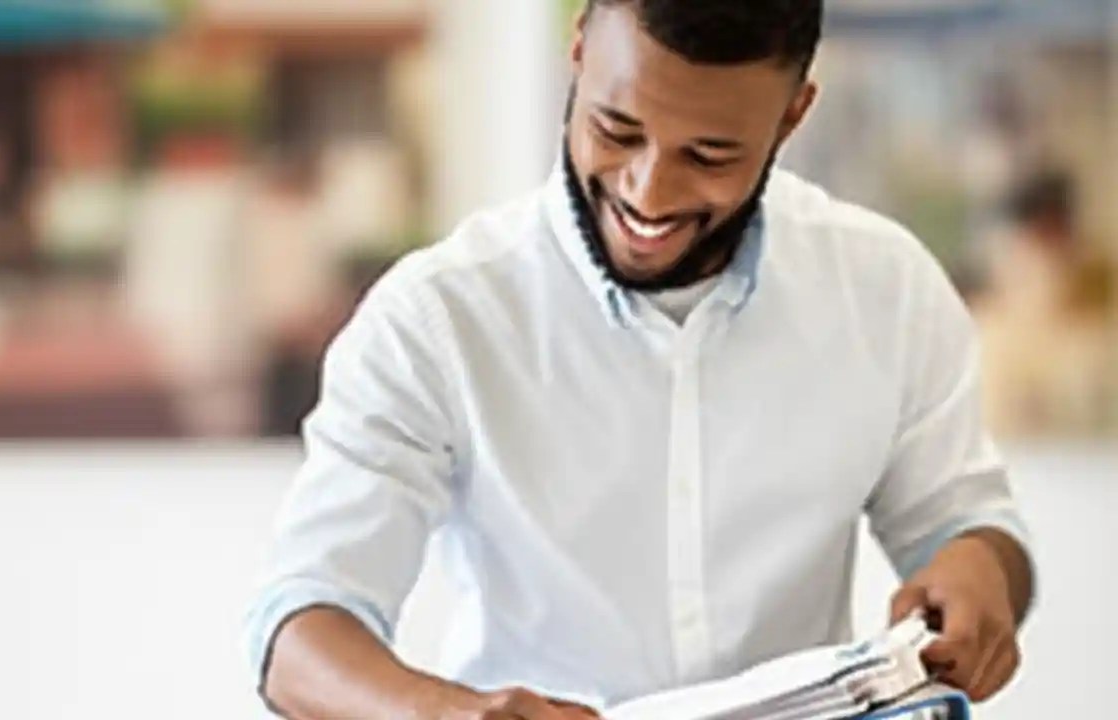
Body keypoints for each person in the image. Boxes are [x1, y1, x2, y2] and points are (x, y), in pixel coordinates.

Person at [244, 2, 1036, 717]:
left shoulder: (884, 288)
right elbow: (300, 624)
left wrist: (977, 569)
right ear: (581, 51)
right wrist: (441, 715)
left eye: (711, 155)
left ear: (793, 116)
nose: (648, 193)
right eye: (617, 131)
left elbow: (970, 526)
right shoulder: (437, 317)